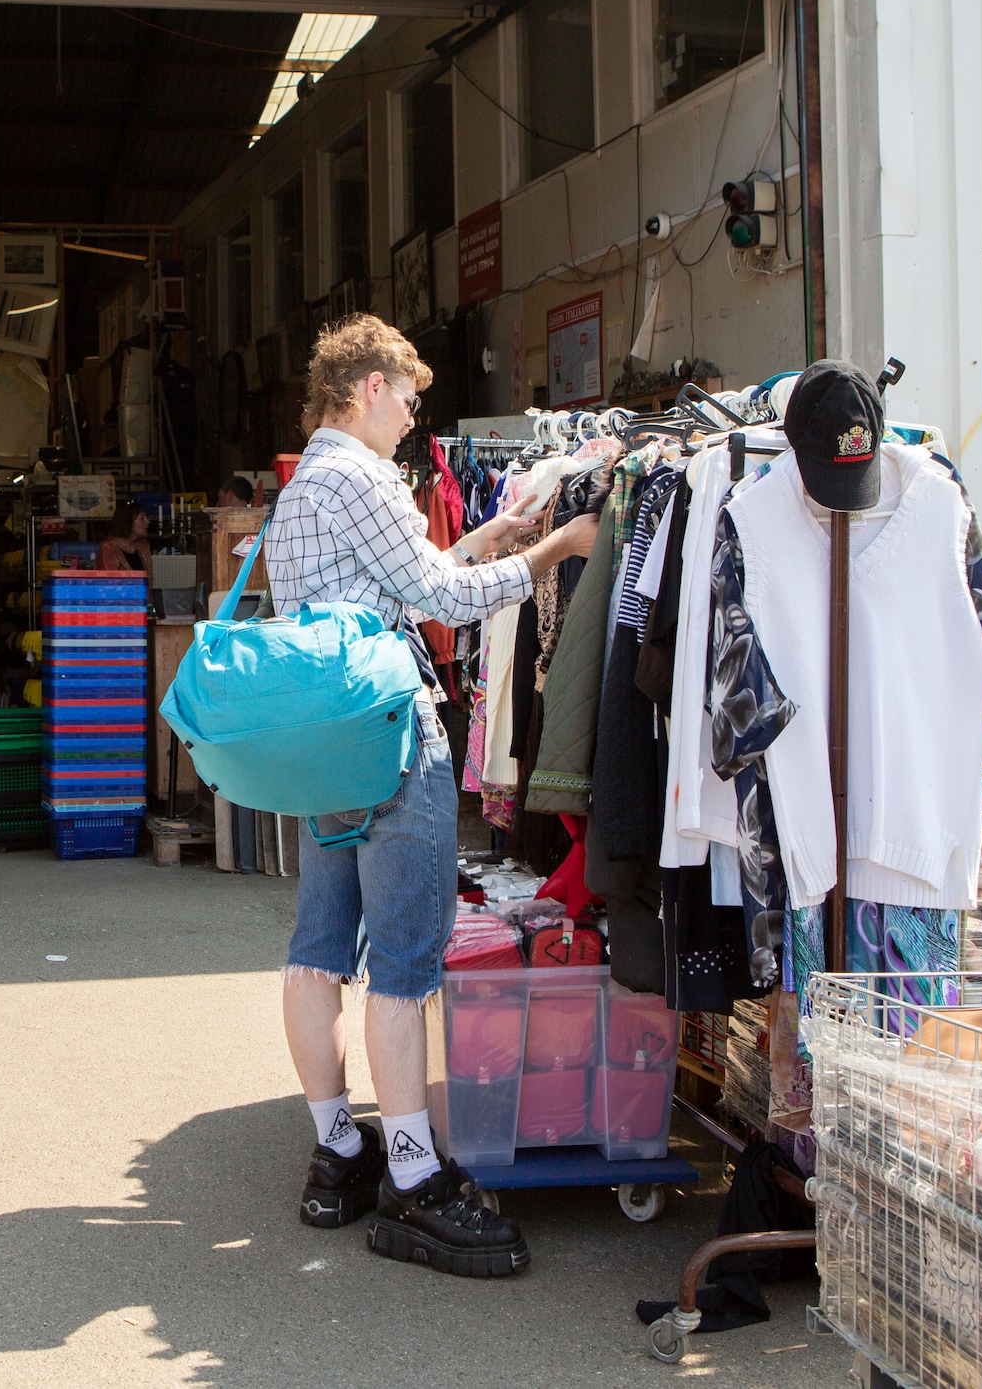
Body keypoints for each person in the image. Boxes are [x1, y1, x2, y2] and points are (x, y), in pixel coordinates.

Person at [267, 313, 594, 1279]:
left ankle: (340, 1150)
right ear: (368, 388)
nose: (414, 416)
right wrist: (556, 550)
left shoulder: (301, 490)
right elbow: (447, 606)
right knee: (405, 963)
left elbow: (410, 582)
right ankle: (414, 1178)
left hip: (329, 741)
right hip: (390, 737)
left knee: (318, 945)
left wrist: (496, 531)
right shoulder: (361, 476)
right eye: (408, 397)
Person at [98, 501, 153, 573]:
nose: (147, 521)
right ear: (128, 521)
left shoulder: (143, 546)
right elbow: (110, 580)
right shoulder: (108, 548)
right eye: (142, 518)